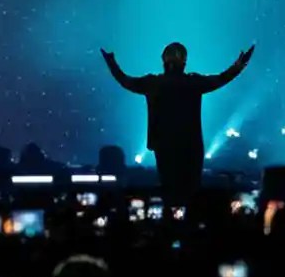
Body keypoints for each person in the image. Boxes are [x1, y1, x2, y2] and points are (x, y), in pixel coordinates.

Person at [100, 42, 254, 200]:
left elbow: (125, 80)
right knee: (190, 194)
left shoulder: (154, 83)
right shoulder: (191, 83)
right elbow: (222, 78)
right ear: (184, 62)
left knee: (169, 192)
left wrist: (111, 62)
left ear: (164, 61)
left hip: (165, 145)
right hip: (190, 146)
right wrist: (239, 65)